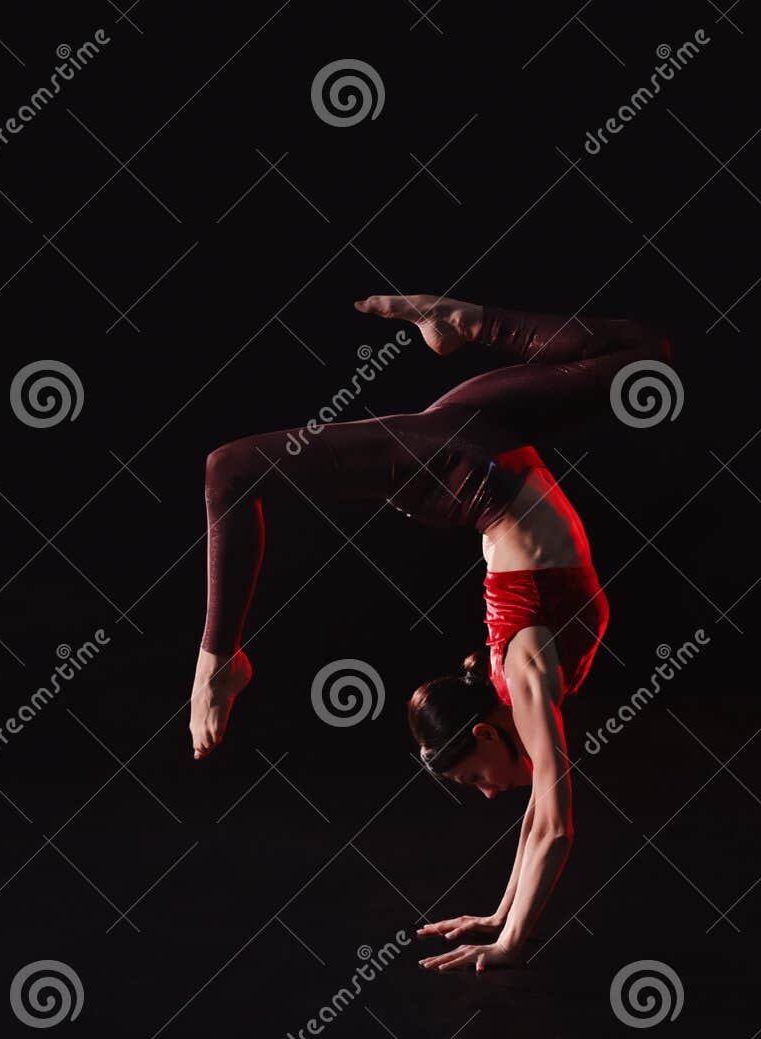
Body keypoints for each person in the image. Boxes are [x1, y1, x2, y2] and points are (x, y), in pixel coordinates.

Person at [190, 294, 670, 969]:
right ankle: (469, 323)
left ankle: (220, 658)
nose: (487, 792)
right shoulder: (529, 684)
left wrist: (509, 941)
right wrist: (500, 918)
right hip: (485, 444)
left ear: (483, 733)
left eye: (474, 778)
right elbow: (545, 819)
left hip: (460, 468)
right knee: (647, 358)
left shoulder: (527, 672)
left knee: (232, 470)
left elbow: (555, 827)